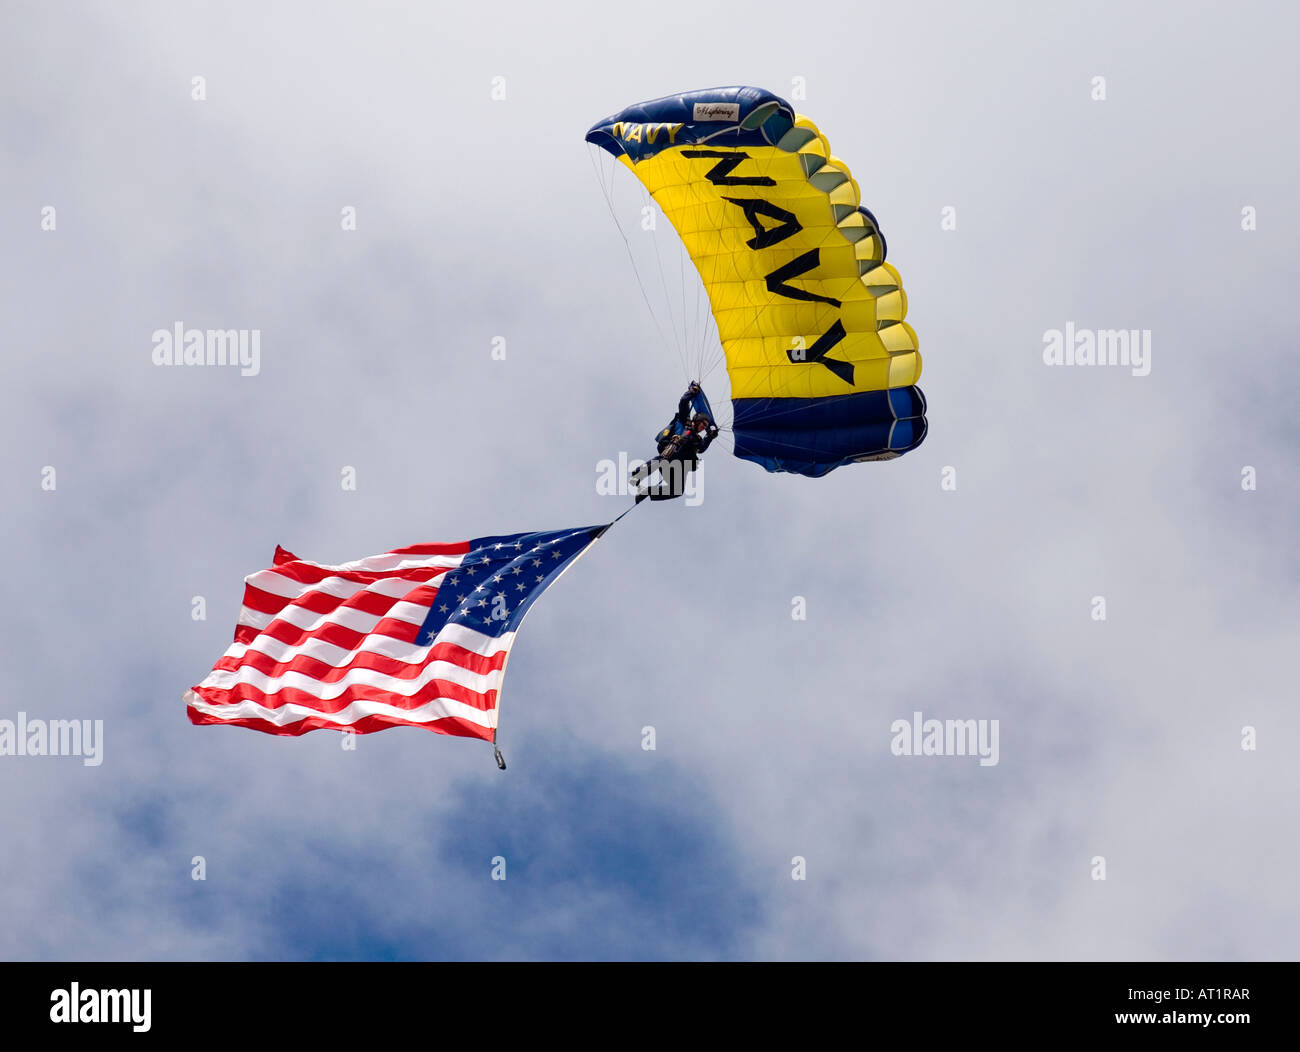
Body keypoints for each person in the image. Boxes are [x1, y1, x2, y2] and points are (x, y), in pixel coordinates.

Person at [631, 382, 719, 503]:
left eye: (706, 426)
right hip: (670, 453)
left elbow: (701, 449)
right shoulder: (685, 421)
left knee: (677, 490)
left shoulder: (697, 440)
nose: (704, 427)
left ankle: (645, 492)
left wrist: (710, 437)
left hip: (677, 467)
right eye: (703, 423)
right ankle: (638, 474)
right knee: (665, 458)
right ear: (697, 420)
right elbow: (683, 402)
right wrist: (691, 392)